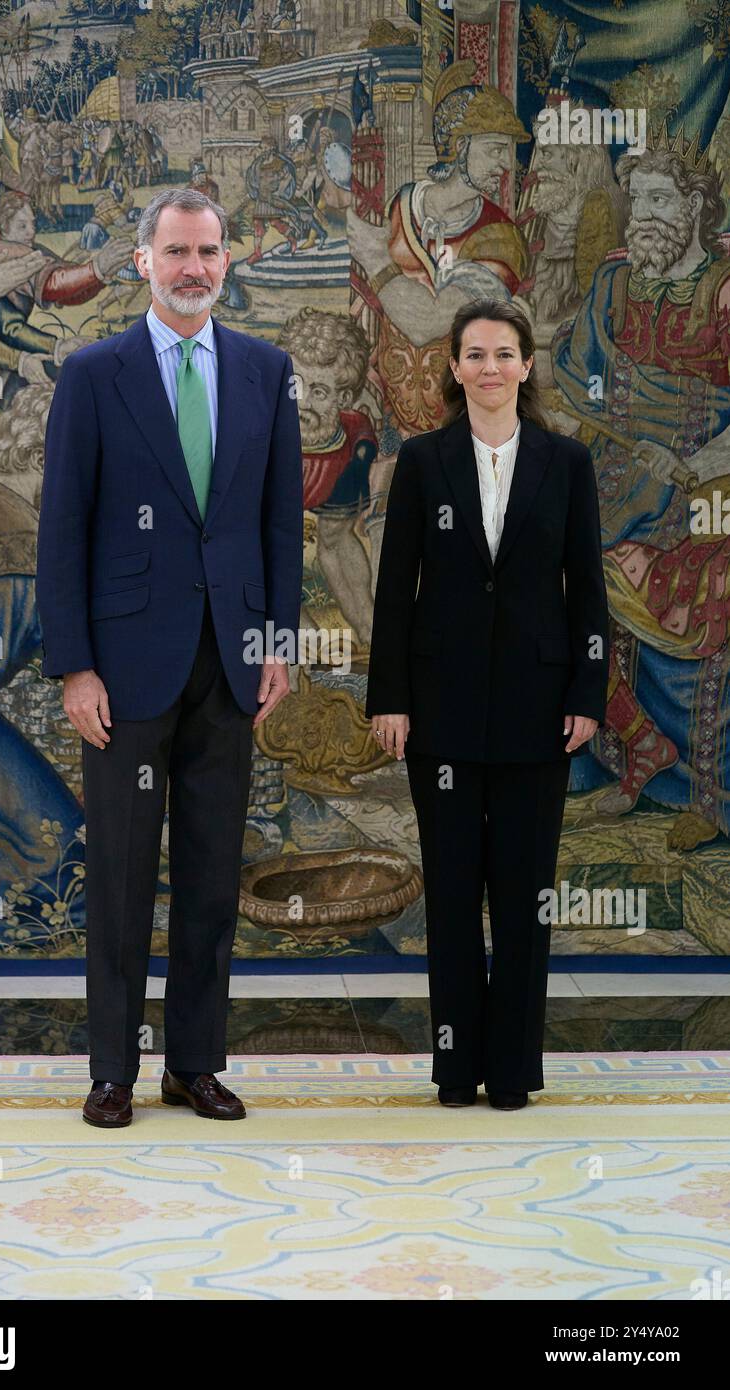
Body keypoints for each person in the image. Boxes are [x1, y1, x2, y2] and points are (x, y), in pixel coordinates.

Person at [35, 187, 303, 1128]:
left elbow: (278, 523)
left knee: (209, 872)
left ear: (228, 262)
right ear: (144, 261)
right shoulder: (93, 374)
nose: (195, 268)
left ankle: (194, 1063)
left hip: (229, 663)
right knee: (117, 875)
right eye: (178, 251)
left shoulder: (267, 372)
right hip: (123, 671)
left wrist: (276, 641)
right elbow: (61, 529)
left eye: (211, 252)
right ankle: (112, 1069)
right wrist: (74, 665)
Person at [365, 298, 609, 1111]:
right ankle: (455, 1067)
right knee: (454, 895)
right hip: (441, 711)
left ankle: (512, 1071)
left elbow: (588, 594)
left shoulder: (567, 463)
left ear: (526, 365)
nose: (490, 368)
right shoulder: (422, 461)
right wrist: (389, 699)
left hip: (542, 713)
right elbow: (395, 592)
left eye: (504, 353)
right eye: (475, 354)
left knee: (523, 898)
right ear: (455, 368)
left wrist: (587, 694)